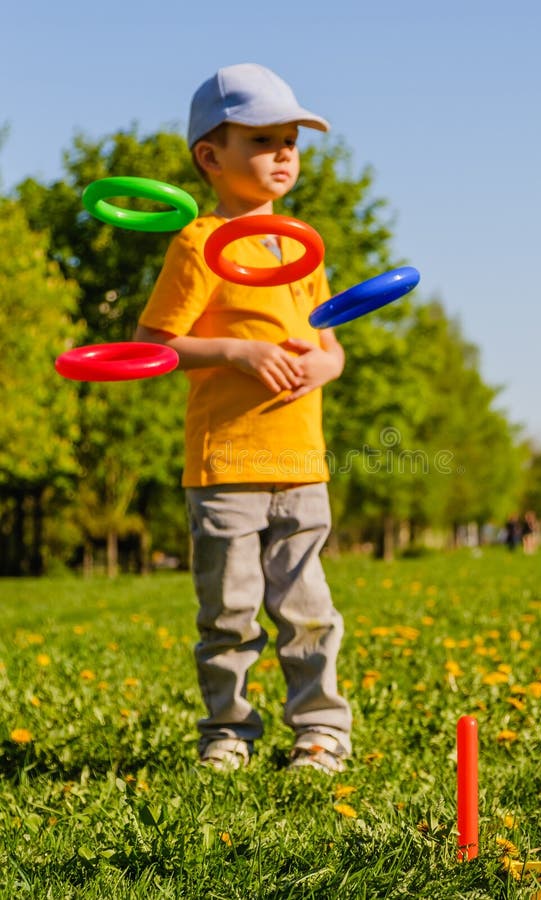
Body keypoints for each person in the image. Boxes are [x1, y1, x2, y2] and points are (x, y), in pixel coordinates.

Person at [135, 63, 351, 774]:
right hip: (226, 463)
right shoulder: (197, 243)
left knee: (307, 611)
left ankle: (320, 733)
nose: (285, 153)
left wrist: (322, 364)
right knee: (228, 615)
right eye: (263, 139)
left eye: (290, 139)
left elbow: (329, 346)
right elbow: (153, 347)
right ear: (210, 157)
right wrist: (236, 351)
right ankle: (227, 732)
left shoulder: (301, 244)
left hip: (300, 462)